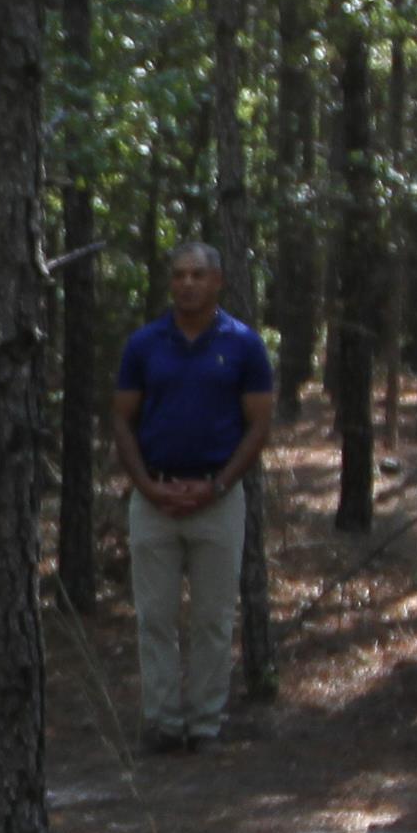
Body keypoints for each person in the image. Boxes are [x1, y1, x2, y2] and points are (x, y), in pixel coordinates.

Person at [110, 241, 275, 753]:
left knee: (212, 617)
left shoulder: (243, 345)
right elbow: (121, 418)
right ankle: (161, 721)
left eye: (198, 275)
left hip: (218, 498)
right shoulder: (145, 344)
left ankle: (205, 723)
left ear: (218, 281)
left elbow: (259, 424)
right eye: (179, 275)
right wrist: (146, 485)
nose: (187, 284)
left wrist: (218, 485)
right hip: (153, 498)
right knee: (155, 617)